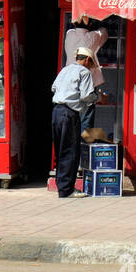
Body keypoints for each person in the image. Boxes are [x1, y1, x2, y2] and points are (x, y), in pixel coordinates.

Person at [52, 45, 100, 198]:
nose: (91, 67)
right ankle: (66, 190)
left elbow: (54, 87)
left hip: (57, 112)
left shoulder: (65, 70)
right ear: (87, 60)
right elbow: (86, 96)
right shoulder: (84, 72)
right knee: (70, 151)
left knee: (60, 150)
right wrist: (98, 98)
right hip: (69, 114)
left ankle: (62, 187)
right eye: (91, 63)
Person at [63, 17, 108, 137]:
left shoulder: (69, 34)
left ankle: (75, 150)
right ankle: (84, 152)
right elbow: (104, 33)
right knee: (86, 122)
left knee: (72, 121)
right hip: (87, 83)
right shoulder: (93, 36)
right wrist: (99, 24)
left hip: (69, 84)